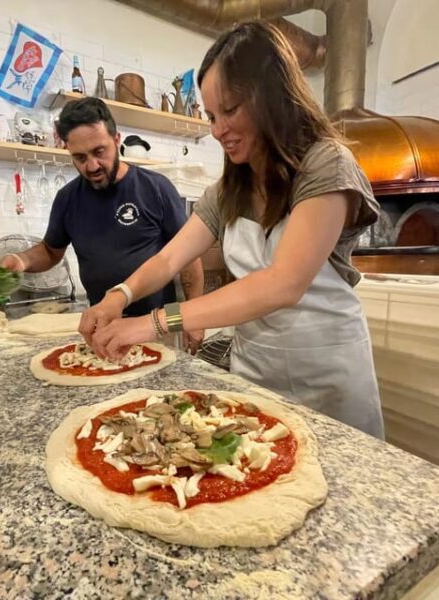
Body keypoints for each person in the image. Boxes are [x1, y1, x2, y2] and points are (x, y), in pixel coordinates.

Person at [79, 21, 384, 439]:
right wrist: (119, 297)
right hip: (256, 371)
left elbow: (282, 285)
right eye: (210, 115)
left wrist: (153, 322)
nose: (218, 129)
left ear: (271, 97)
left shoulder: (326, 165)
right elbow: (170, 257)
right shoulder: (229, 189)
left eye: (231, 109)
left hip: (327, 376)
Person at [0, 97, 205, 352]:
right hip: (103, 328)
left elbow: (188, 260)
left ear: (117, 140)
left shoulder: (155, 188)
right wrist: (21, 261)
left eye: (99, 152)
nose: (92, 165)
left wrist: (191, 320)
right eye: (80, 157)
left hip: (158, 325)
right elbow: (50, 251)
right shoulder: (67, 199)